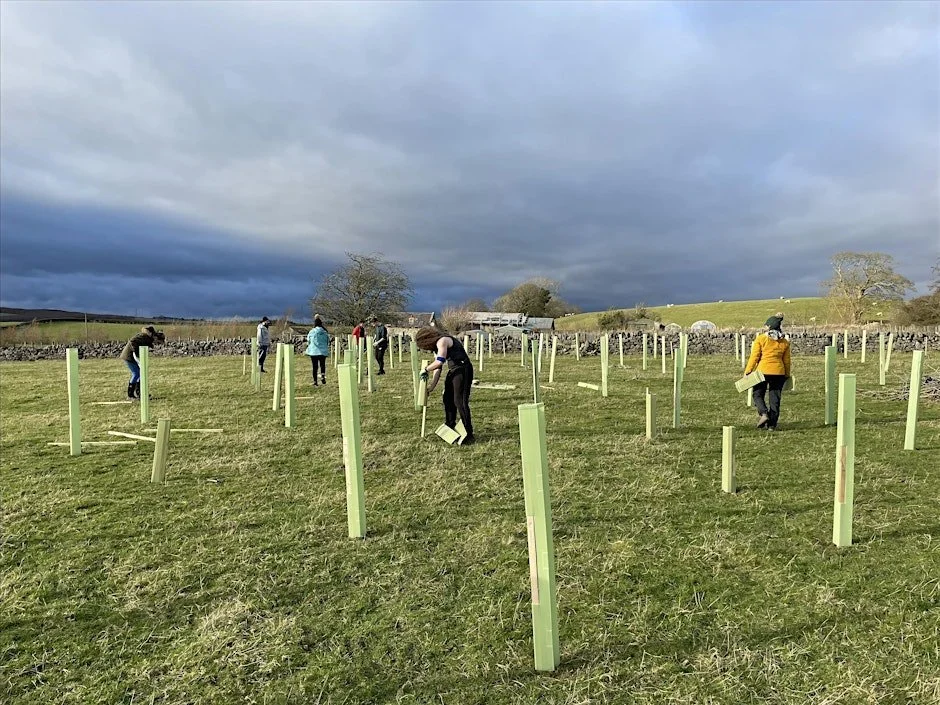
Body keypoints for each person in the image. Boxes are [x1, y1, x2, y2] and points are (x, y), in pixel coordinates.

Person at [416, 327, 475, 445]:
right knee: (447, 399)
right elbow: (437, 368)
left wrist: (425, 369)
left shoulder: (443, 341)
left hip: (463, 369)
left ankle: (469, 433)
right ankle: (450, 424)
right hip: (453, 370)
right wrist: (431, 387)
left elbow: (440, 360)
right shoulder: (436, 347)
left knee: (460, 401)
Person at [744, 313, 792, 431]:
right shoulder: (784, 342)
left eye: (766, 325)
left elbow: (754, 357)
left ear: (770, 327)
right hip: (779, 372)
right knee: (775, 399)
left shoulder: (761, 339)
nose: (764, 327)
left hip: (763, 371)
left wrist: (748, 371)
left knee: (757, 394)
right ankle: (772, 425)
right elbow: (787, 361)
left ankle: (763, 414)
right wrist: (787, 374)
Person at [119, 325, 164, 399]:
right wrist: (137, 355)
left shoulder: (147, 338)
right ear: (155, 337)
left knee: (141, 373)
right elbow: (132, 342)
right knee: (136, 373)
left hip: (132, 355)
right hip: (129, 356)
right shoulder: (143, 336)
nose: (157, 343)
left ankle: (140, 393)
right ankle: (130, 395)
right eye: (158, 342)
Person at [305, 315, 330, 386]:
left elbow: (308, 341)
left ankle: (315, 381)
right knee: (322, 365)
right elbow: (327, 341)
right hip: (323, 351)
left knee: (314, 367)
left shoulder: (312, 332)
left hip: (314, 351)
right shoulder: (325, 332)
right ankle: (323, 376)